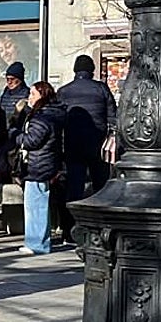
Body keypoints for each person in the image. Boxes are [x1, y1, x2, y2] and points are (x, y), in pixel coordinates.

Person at [57, 55, 117, 234]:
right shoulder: (101, 89)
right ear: (92, 70)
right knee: (101, 186)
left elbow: (59, 118)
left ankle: (70, 229)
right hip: (97, 144)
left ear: (75, 70)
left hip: (72, 143)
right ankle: (102, 228)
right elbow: (113, 116)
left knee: (74, 186)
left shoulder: (64, 91)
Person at [9, 81, 64, 255]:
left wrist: (16, 135)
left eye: (33, 94)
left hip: (39, 165)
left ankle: (37, 243)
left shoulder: (43, 117)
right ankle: (36, 241)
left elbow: (32, 140)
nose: (29, 97)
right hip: (42, 163)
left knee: (36, 206)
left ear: (42, 95)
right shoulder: (48, 114)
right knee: (35, 204)